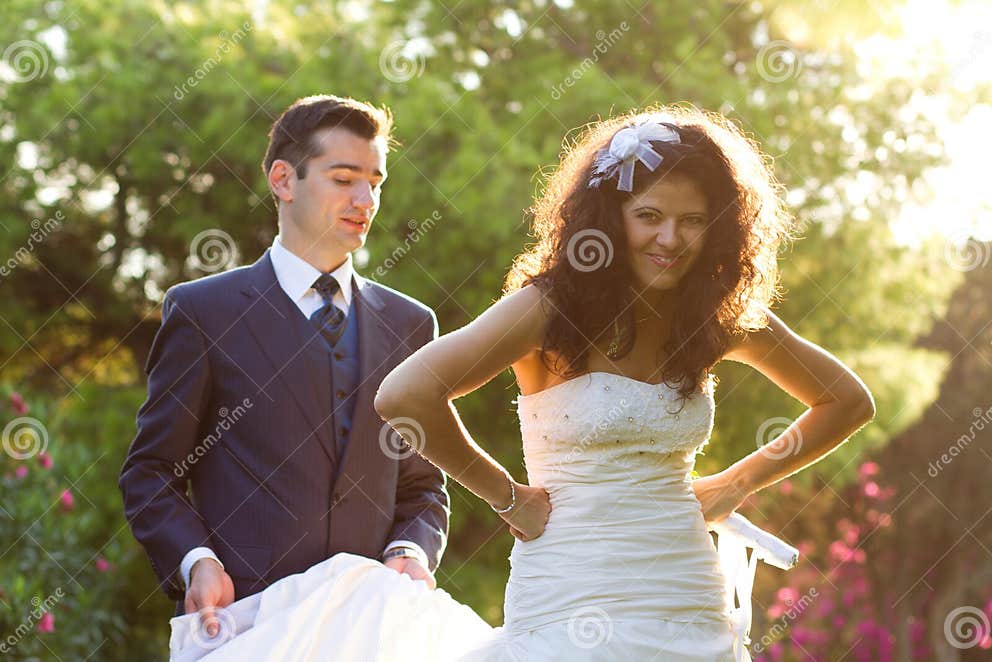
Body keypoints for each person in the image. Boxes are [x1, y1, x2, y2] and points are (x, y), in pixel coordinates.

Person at [168, 105, 874, 662]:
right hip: (569, 584)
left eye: (692, 222)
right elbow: (404, 396)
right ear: (610, 218)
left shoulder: (717, 317)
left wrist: (738, 483)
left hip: (684, 586)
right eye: (649, 216)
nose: (670, 238)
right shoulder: (552, 308)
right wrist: (505, 494)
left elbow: (846, 400)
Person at [119, 94, 449, 628]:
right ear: (283, 180)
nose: (365, 199)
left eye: (375, 182)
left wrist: (410, 551)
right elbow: (151, 473)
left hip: (370, 627)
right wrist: (197, 561)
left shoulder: (410, 325)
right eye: (343, 179)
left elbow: (422, 487)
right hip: (244, 623)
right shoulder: (204, 313)